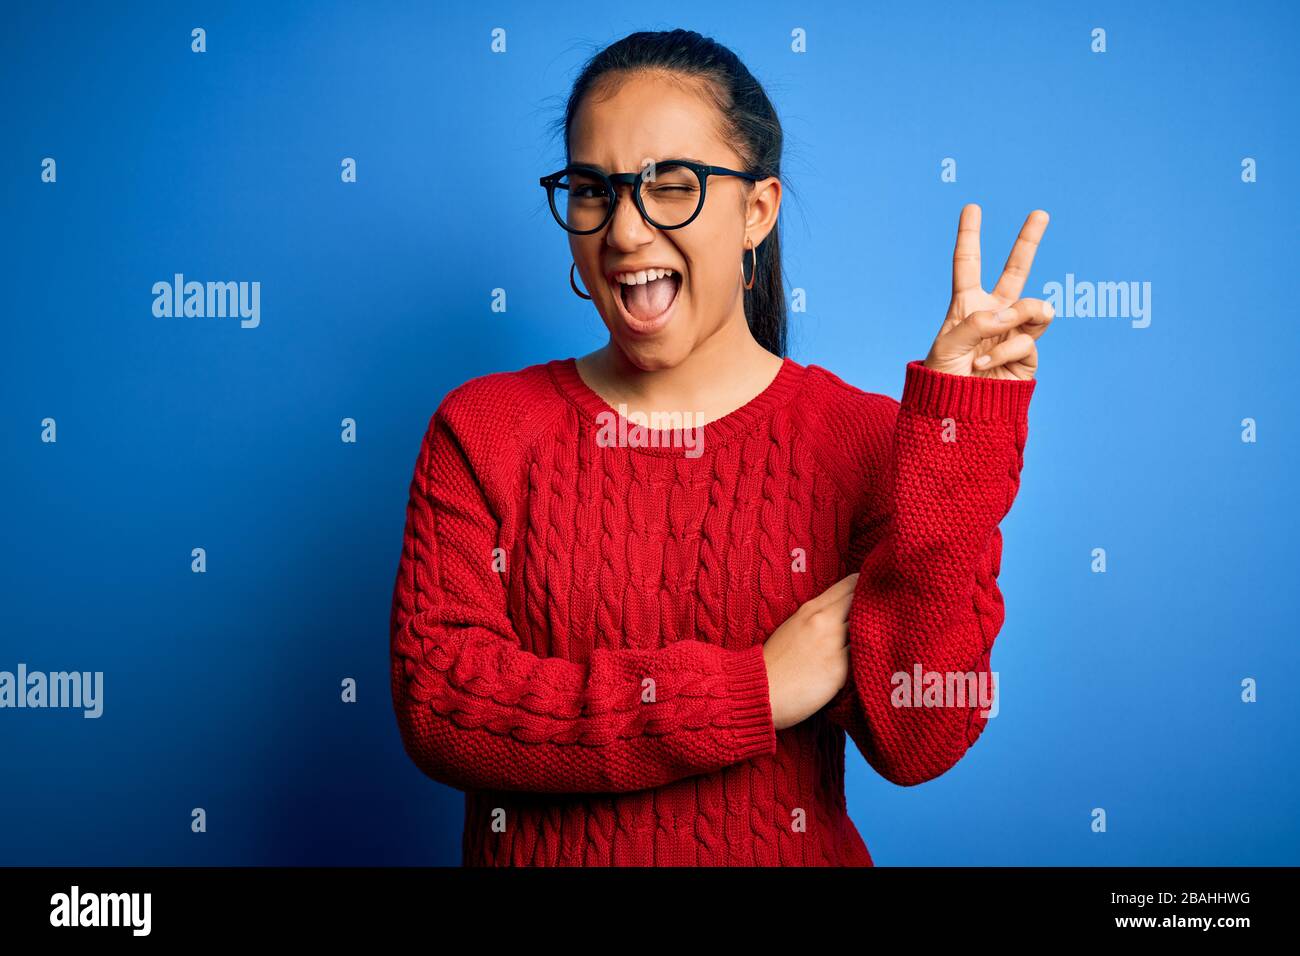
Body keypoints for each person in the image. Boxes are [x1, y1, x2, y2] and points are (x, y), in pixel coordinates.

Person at [389, 28, 1052, 866]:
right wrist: (752, 692)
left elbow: (919, 736)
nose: (625, 231)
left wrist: (956, 439)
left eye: (672, 186)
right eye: (594, 190)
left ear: (757, 211)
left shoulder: (861, 441)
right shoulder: (485, 429)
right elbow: (443, 705)